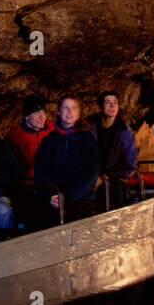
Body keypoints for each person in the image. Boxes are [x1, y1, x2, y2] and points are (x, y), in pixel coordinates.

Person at [32, 96, 99, 225]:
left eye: (73, 108)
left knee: (74, 219)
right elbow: (41, 171)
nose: (69, 112)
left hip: (79, 197)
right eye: (65, 108)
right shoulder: (49, 140)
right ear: (58, 112)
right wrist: (50, 194)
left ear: (79, 113)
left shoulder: (88, 140)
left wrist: (67, 197)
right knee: (35, 217)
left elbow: (90, 174)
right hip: (53, 196)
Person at [88, 90, 138, 207]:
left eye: (115, 102)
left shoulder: (124, 131)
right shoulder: (89, 126)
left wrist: (105, 177)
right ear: (101, 106)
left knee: (117, 191)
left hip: (114, 178)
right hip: (90, 176)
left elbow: (129, 164)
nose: (112, 106)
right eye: (108, 102)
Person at [5, 94, 53, 182]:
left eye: (43, 112)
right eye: (36, 112)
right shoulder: (15, 137)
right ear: (26, 116)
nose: (41, 117)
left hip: (55, 176)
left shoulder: (53, 127)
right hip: (32, 182)